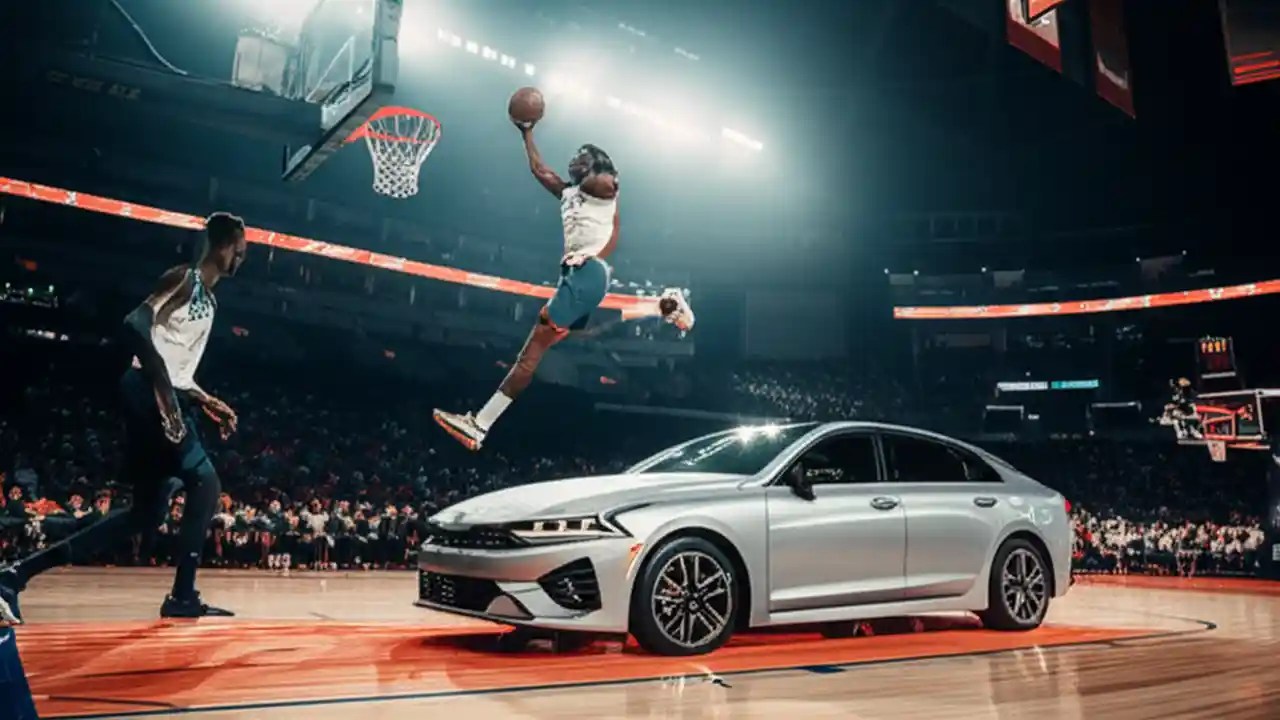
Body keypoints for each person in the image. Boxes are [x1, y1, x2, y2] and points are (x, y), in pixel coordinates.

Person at [0, 212, 248, 625]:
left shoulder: (211, 301)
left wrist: (207, 400)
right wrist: (164, 395)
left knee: (145, 514)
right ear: (226, 245)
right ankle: (182, 597)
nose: (244, 255)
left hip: (159, 392)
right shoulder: (184, 279)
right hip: (144, 390)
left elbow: (177, 368)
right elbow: (135, 324)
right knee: (206, 484)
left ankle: (13, 577)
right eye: (242, 246)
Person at [433, 122, 693, 451]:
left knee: (531, 353)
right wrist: (526, 132)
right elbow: (540, 170)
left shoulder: (602, 185)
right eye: (574, 156)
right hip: (576, 275)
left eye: (582, 157)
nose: (574, 160)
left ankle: (480, 425)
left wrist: (607, 169)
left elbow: (611, 182)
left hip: (587, 273)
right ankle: (662, 305)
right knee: (573, 337)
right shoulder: (570, 192)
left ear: (597, 164)